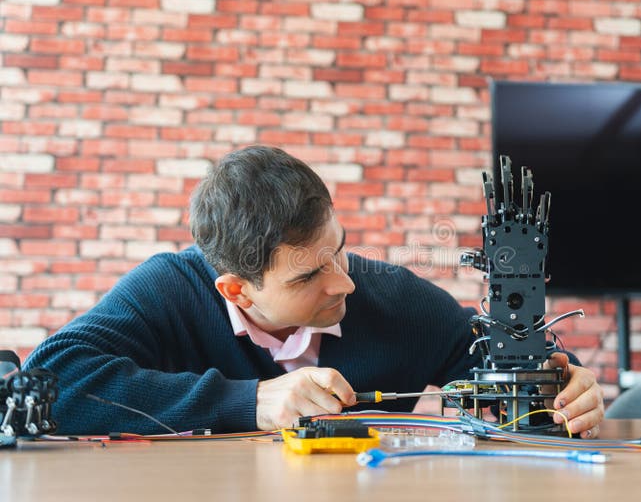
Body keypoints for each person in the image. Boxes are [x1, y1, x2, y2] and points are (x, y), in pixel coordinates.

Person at [24, 145, 604, 437]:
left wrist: (568, 385)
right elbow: (50, 382)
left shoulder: (392, 297)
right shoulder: (169, 290)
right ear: (236, 290)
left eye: (339, 249)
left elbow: (509, 360)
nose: (344, 282)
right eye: (306, 277)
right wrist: (251, 402)